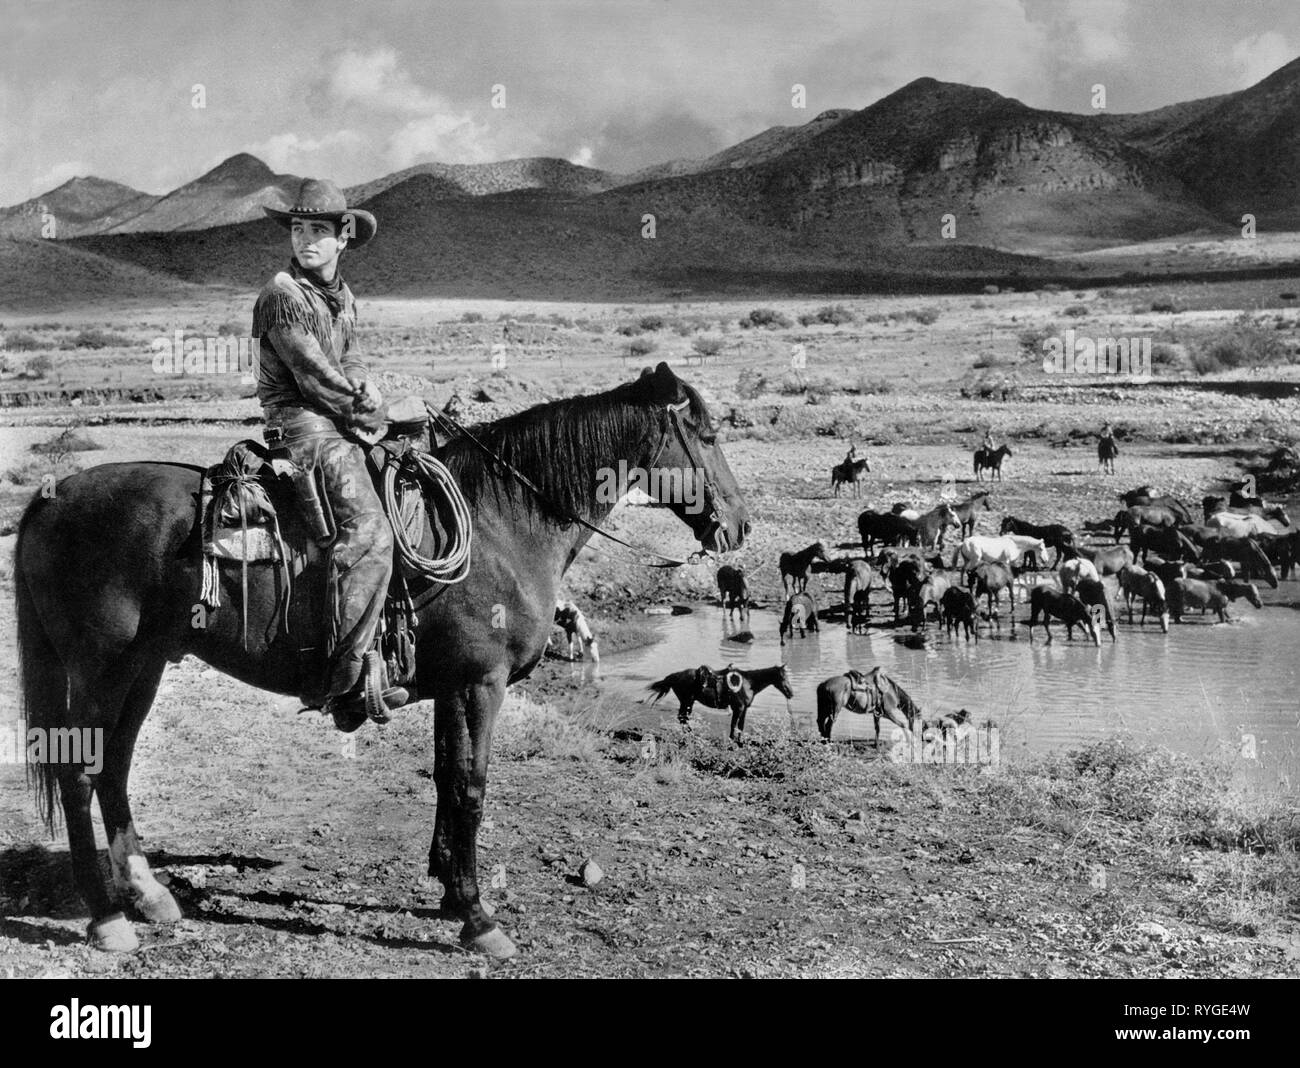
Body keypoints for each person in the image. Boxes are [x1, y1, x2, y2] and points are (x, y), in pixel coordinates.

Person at [252, 177, 407, 729]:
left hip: (340, 415)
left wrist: (368, 389)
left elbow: (353, 357)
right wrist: (369, 412)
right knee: (368, 530)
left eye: (318, 229)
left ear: (343, 235)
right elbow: (313, 377)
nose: (305, 240)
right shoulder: (282, 294)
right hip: (303, 426)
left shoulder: (342, 295)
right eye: (298, 228)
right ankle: (344, 680)